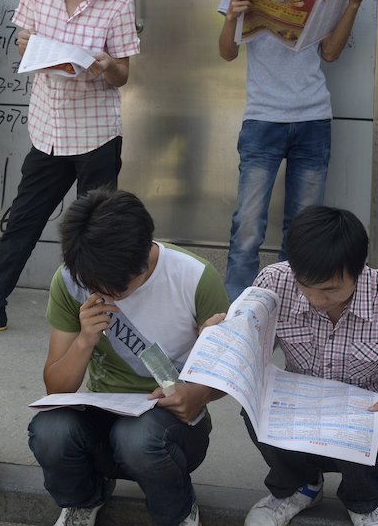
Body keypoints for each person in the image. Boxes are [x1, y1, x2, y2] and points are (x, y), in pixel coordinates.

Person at [241, 206, 378, 526]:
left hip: (367, 419)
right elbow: (248, 351)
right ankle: (298, 487)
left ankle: (365, 502)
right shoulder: (275, 281)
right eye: (304, 285)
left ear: (361, 268)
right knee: (253, 404)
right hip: (301, 410)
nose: (315, 299)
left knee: (377, 431)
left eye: (330, 289)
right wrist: (227, 335)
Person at [28, 189, 229, 526]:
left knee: (136, 439)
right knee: (49, 430)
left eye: (115, 289)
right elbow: (56, 387)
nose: (104, 294)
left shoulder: (194, 277)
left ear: (143, 258)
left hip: (174, 425)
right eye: (94, 285)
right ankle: (84, 499)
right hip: (104, 412)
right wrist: (85, 340)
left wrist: (199, 394)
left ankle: (177, 511)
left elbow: (228, 373)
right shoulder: (72, 279)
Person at [218, 0, 377, 302]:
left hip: (313, 117)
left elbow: (329, 53)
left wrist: (353, 2)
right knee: (248, 224)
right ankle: (237, 315)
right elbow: (226, 52)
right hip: (263, 117)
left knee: (304, 229)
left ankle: (291, 309)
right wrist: (234, 14)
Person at [0, 0, 141, 331]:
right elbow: (25, 40)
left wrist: (107, 64)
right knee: (23, 218)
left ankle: (97, 314)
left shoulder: (117, 5)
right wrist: (26, 44)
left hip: (95, 134)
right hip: (47, 130)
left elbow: (122, 75)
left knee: (98, 232)